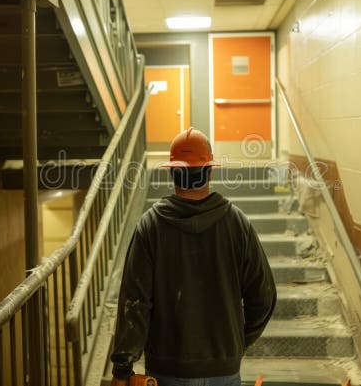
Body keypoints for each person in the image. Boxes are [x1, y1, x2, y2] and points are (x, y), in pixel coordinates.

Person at [110, 128, 276, 386]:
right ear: (209, 171)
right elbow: (263, 297)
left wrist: (122, 368)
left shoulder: (150, 226)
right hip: (224, 368)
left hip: (166, 370)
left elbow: (135, 302)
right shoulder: (237, 223)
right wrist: (234, 344)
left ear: (172, 172)